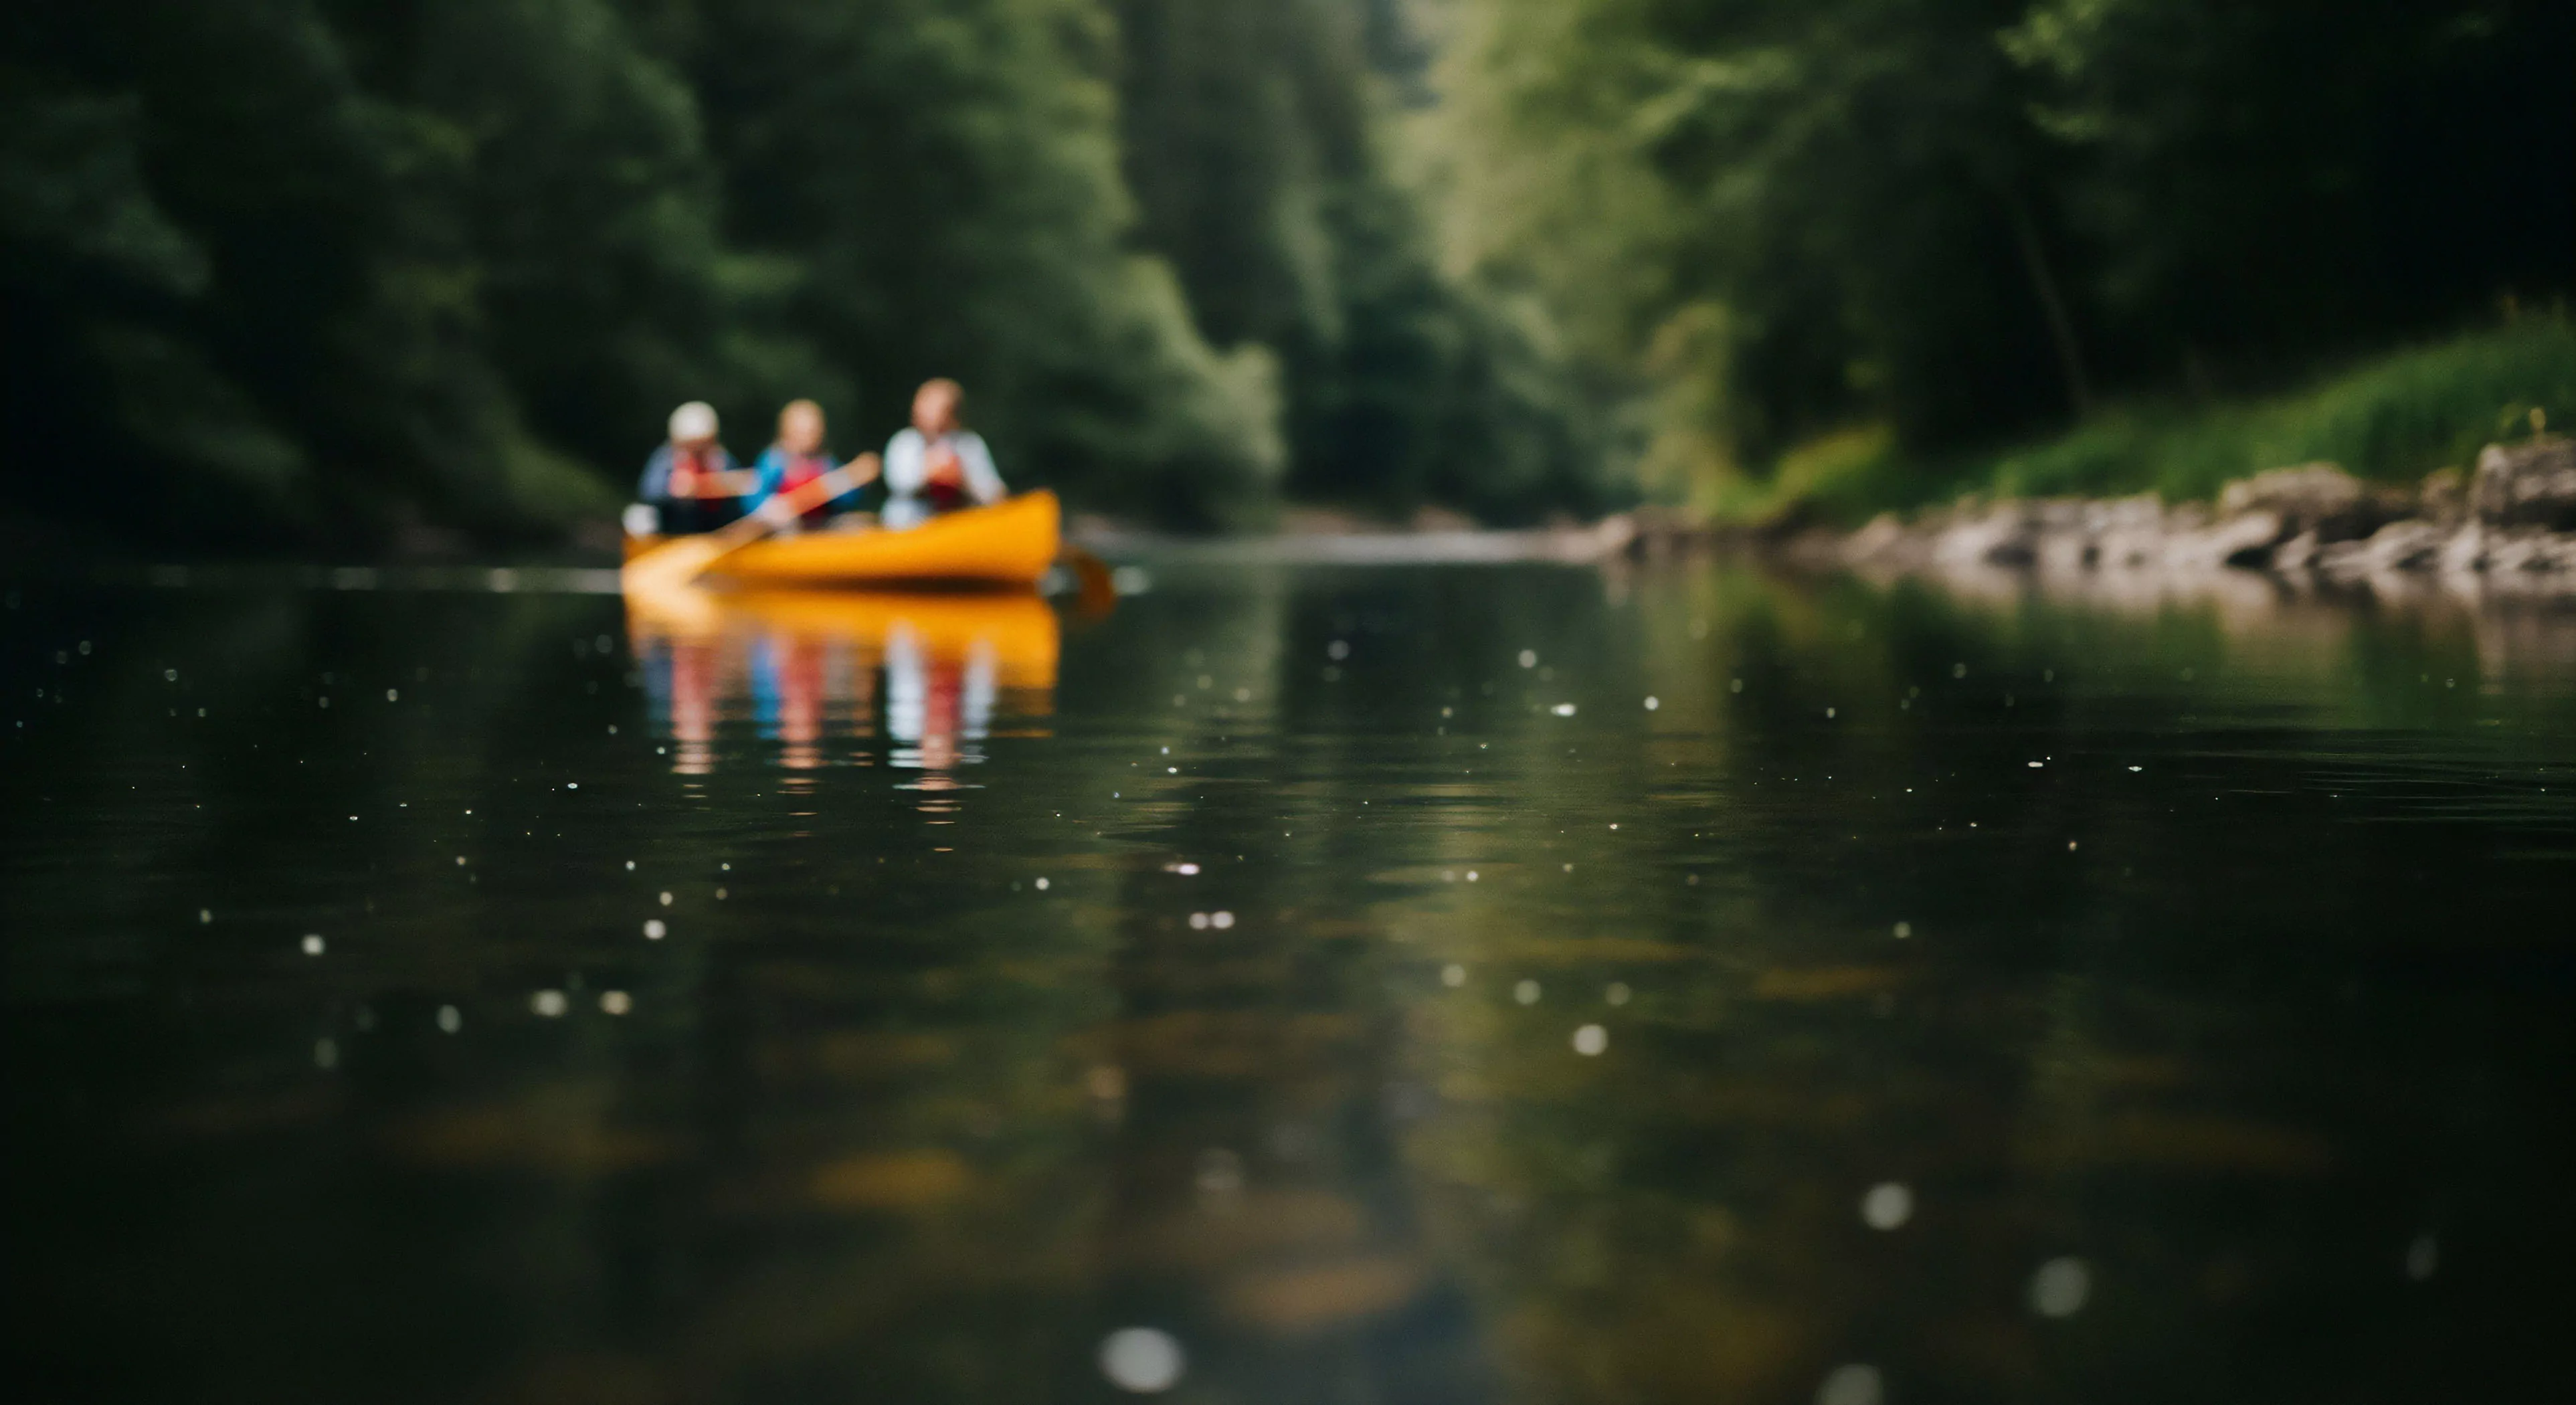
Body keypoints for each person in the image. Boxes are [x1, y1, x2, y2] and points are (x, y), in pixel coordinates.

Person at [883, 379, 1006, 529]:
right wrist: (930, 474)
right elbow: (900, 485)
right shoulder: (905, 443)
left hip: (960, 528)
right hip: (910, 528)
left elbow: (995, 494)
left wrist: (962, 479)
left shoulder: (969, 444)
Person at [635, 401, 753, 535]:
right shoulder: (665, 460)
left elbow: (740, 494)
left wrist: (718, 484)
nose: (698, 448)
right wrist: (674, 490)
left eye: (703, 443)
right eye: (693, 443)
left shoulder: (723, 460)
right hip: (674, 529)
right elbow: (649, 492)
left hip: (715, 531)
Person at [749, 399, 866, 529]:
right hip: (784, 529)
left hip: (821, 526)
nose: (810, 437)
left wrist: (855, 480)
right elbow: (755, 497)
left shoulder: (825, 462)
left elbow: (845, 500)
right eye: (803, 432)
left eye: (813, 432)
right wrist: (770, 508)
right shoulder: (774, 460)